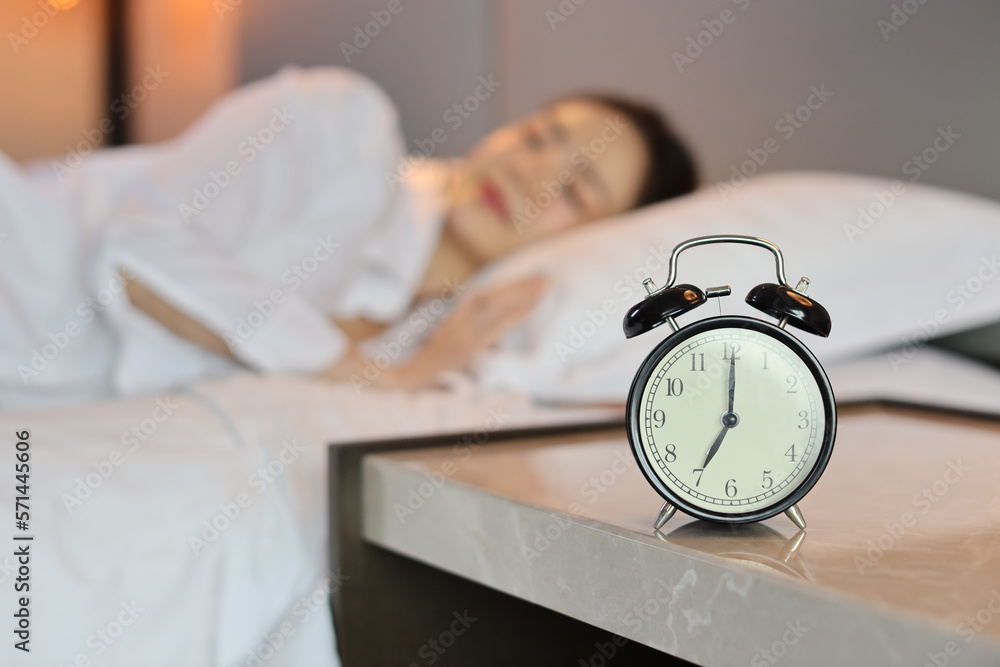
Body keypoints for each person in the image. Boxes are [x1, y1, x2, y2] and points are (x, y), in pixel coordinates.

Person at [0, 67, 696, 409]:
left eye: (575, 190)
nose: (531, 169)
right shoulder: (342, 127)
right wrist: (368, 374)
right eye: (540, 135)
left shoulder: (451, 342)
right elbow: (135, 252)